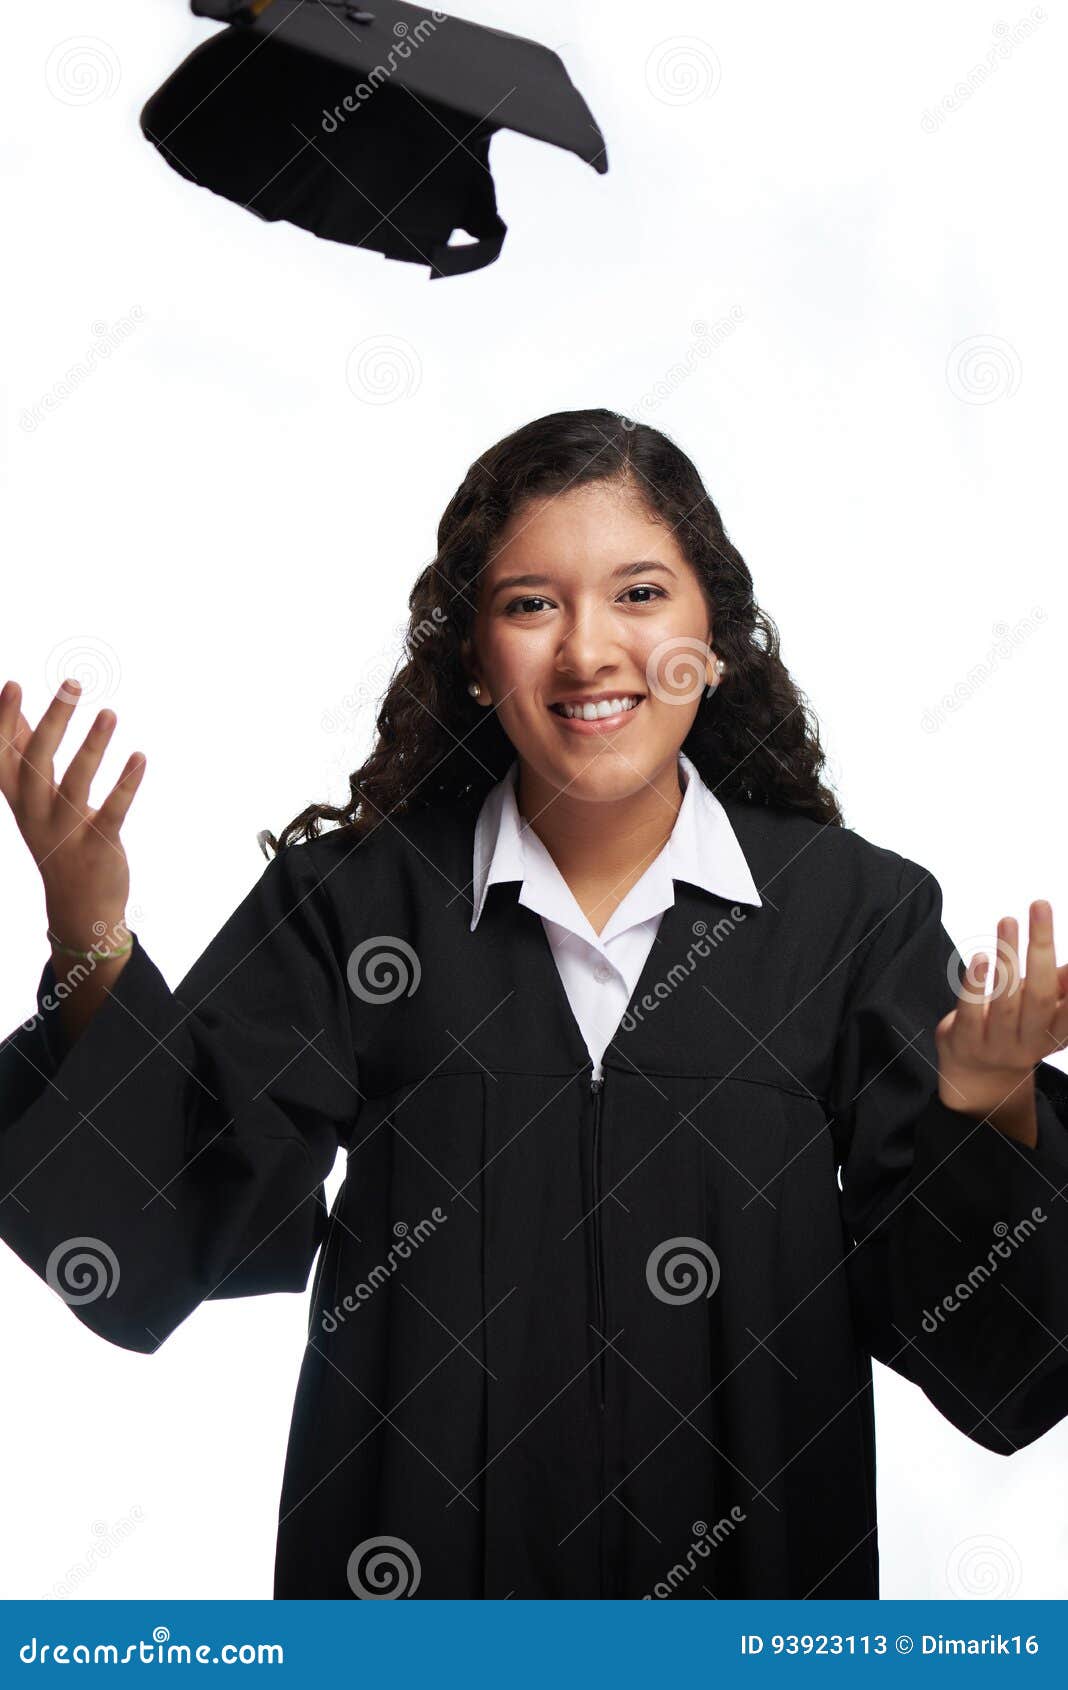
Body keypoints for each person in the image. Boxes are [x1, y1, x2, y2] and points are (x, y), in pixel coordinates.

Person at [2, 408, 1067, 1600]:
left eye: (641, 594)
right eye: (530, 604)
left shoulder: (848, 919)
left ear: (715, 639)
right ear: (472, 654)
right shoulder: (362, 908)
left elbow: (988, 1347)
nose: (588, 651)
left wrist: (991, 1109)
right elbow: (174, 1212)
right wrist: (88, 934)